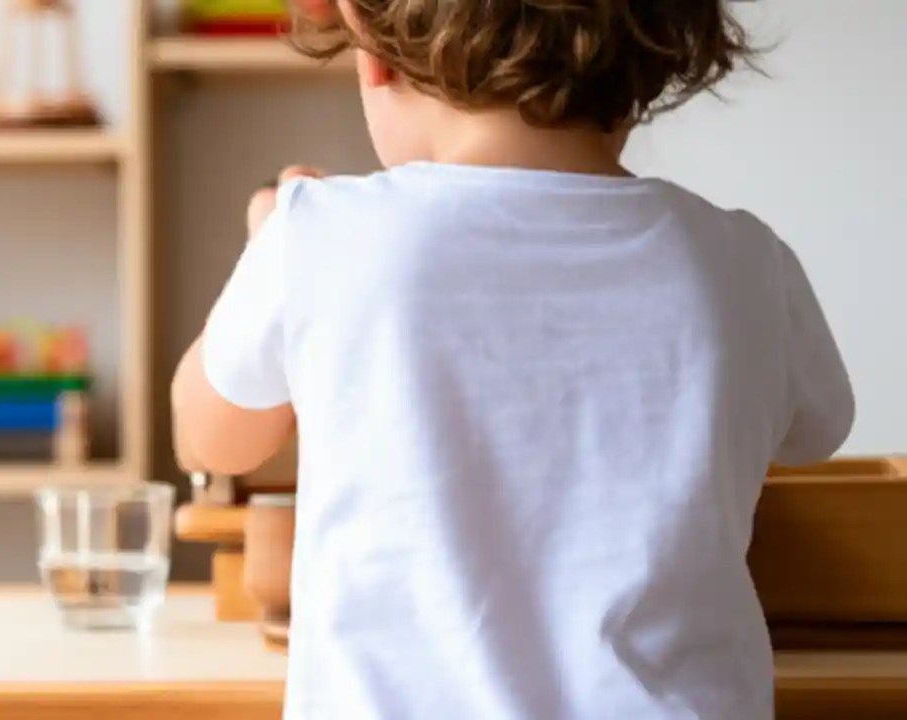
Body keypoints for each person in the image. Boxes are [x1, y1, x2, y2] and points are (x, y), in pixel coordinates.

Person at [170, 0, 855, 717]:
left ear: (369, 42)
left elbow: (214, 436)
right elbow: (818, 430)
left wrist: (266, 247)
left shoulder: (321, 235)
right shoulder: (741, 263)